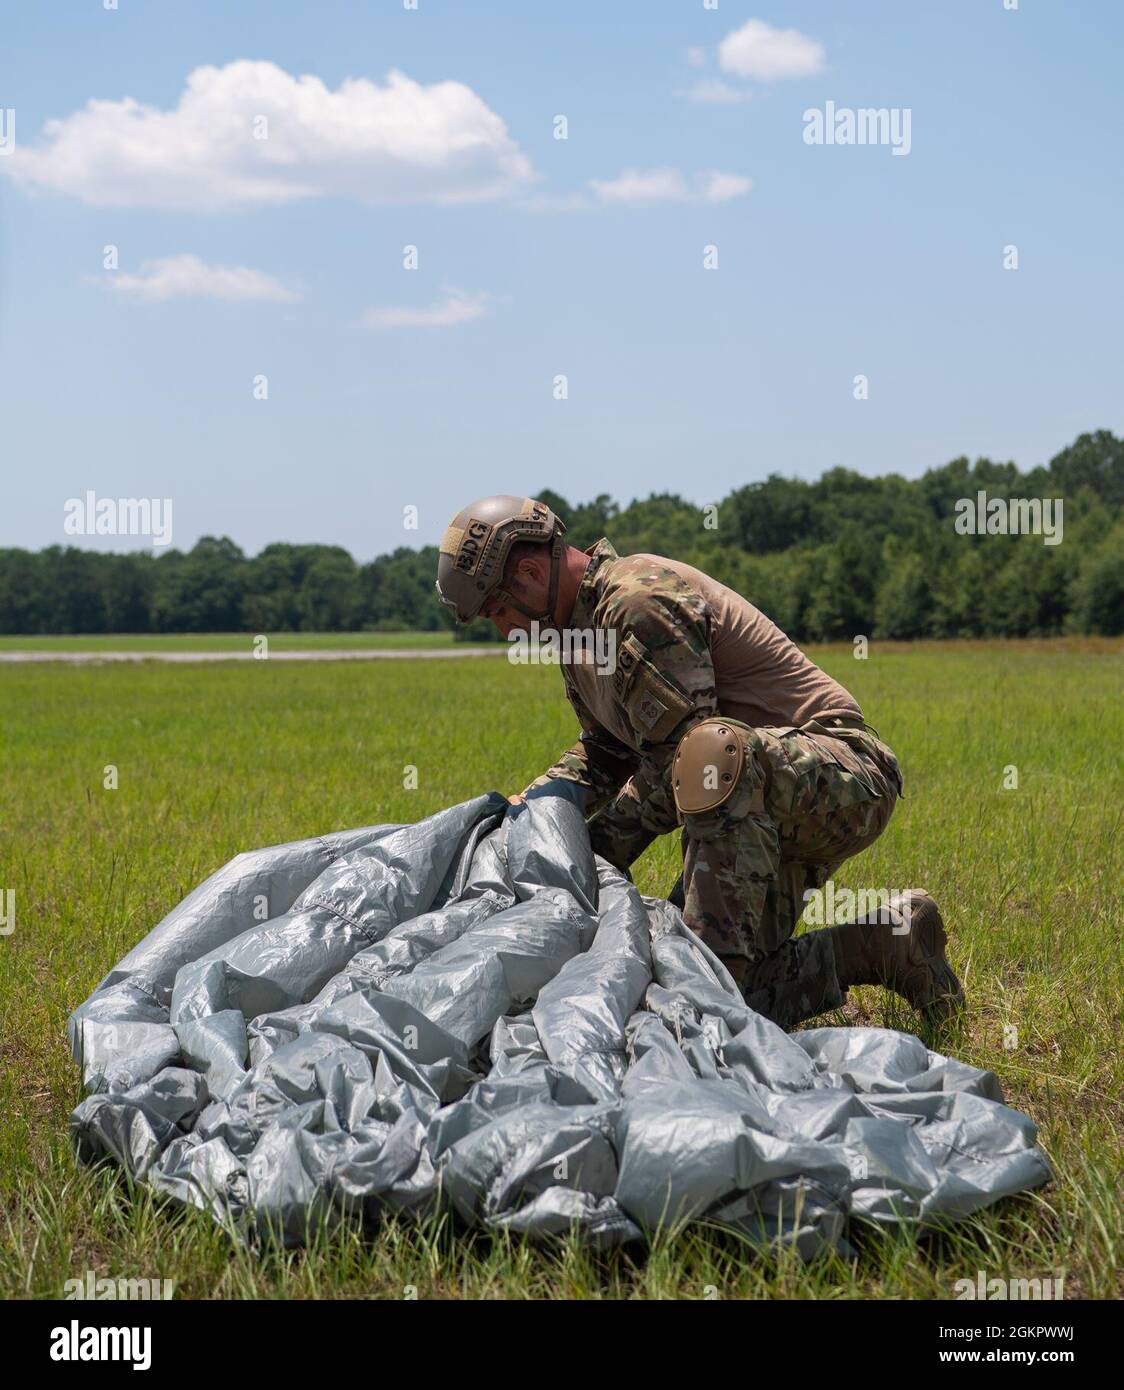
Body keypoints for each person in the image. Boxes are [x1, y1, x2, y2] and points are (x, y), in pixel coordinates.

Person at [436, 495, 964, 1029]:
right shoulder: (578, 635)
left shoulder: (637, 601)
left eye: (498, 612)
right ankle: (889, 942)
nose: (504, 632)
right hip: (754, 805)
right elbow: (608, 749)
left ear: (529, 572)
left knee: (698, 987)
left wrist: (593, 853)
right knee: (688, 982)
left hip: (841, 775)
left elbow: (684, 755)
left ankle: (712, 998)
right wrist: (540, 812)